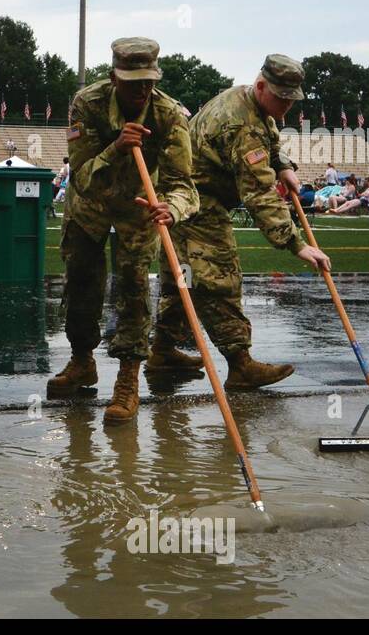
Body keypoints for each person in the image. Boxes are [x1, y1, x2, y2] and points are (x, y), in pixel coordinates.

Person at [151, 54, 331, 389]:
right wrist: (296, 244)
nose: (286, 107)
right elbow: (260, 195)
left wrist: (283, 164)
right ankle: (240, 364)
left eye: (292, 101)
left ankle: (162, 351)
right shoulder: (242, 126)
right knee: (221, 277)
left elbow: (270, 137)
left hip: (182, 197)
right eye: (281, 99)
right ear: (261, 86)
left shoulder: (249, 101)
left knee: (184, 277)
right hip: (197, 204)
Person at [45, 37, 199, 424]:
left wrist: (171, 209)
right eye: (133, 83)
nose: (142, 90)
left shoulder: (168, 115)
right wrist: (116, 147)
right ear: (114, 77)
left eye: (148, 81)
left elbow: (185, 185)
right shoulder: (87, 103)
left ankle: (128, 379)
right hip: (89, 206)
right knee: (81, 283)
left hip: (140, 209)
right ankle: (82, 361)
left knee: (132, 288)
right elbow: (81, 175)